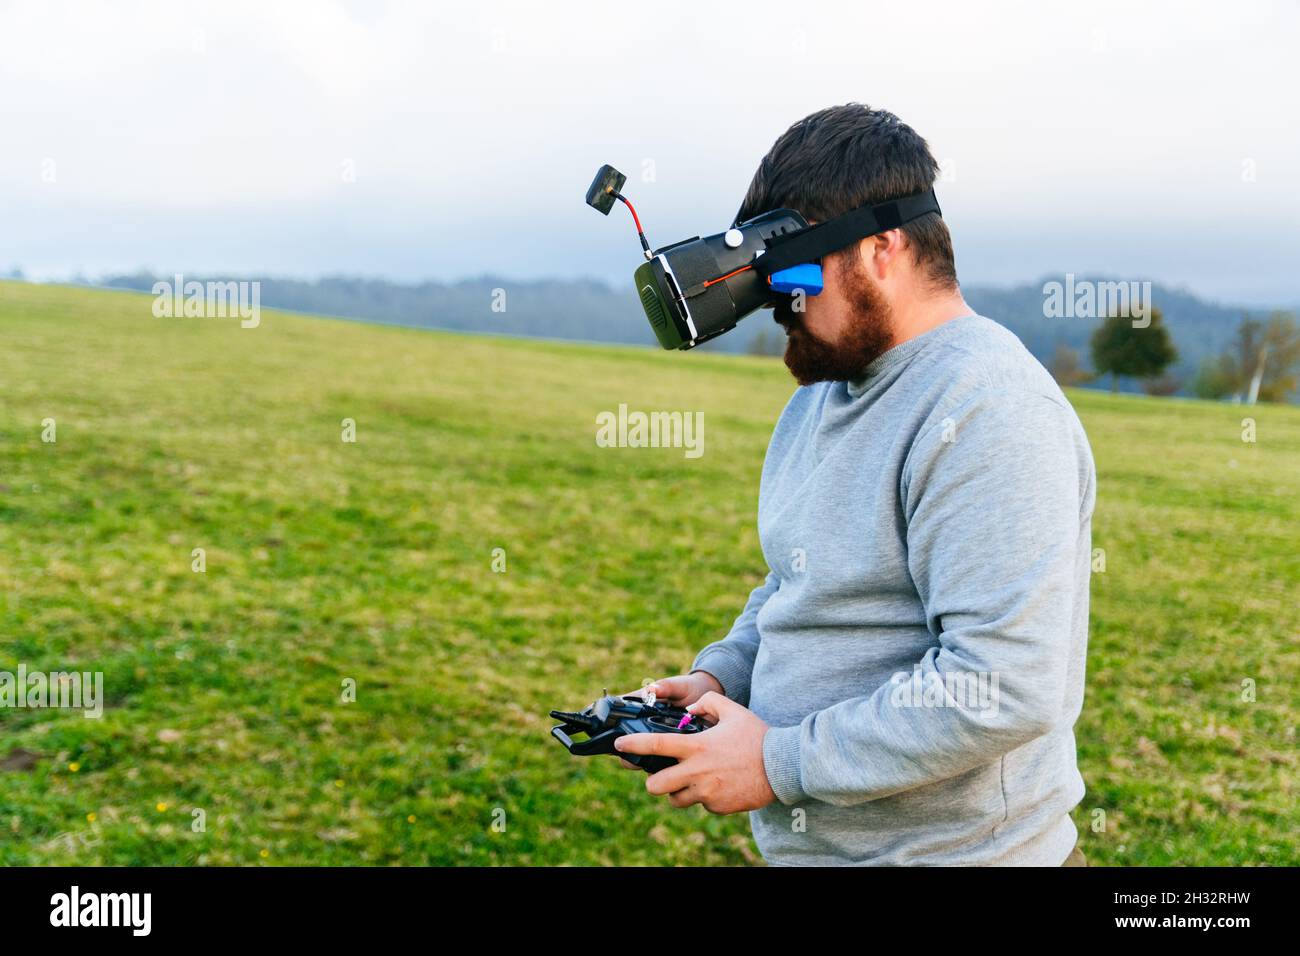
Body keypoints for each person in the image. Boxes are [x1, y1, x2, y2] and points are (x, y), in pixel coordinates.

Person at [613, 102, 1097, 866]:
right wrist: (722, 674)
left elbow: (1002, 684)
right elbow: (798, 584)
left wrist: (777, 761)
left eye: (797, 281)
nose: (782, 309)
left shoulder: (989, 408)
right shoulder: (825, 389)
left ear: (882, 249)